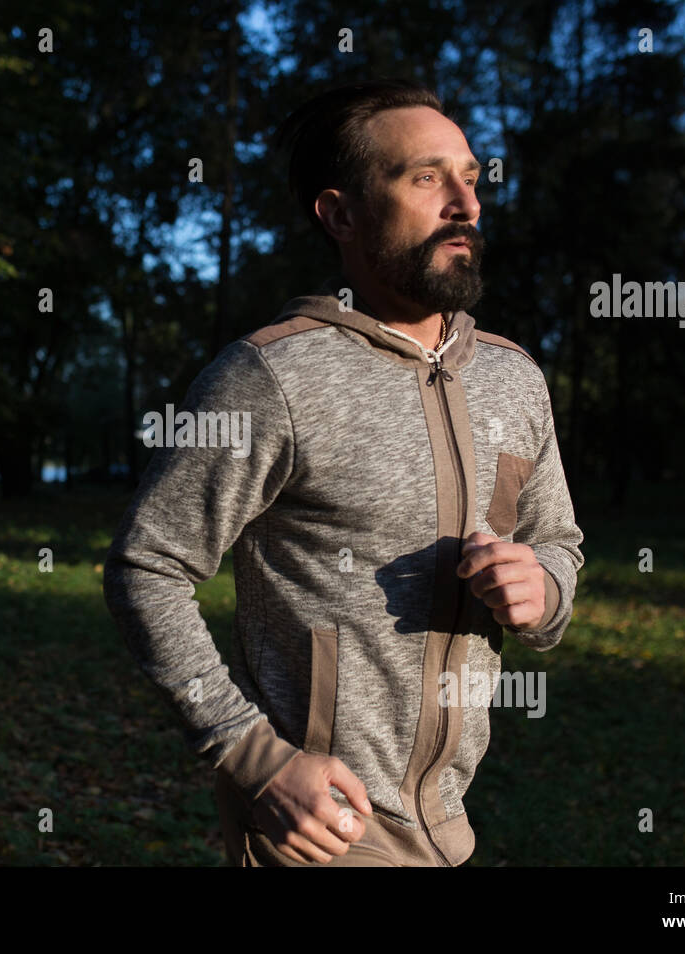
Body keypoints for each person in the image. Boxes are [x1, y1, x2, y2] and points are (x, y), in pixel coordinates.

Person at [102, 79, 584, 867]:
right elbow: (146, 567)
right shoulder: (270, 377)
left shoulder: (514, 378)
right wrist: (255, 759)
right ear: (340, 214)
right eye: (426, 178)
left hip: (450, 826)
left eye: (471, 176)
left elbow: (556, 541)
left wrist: (546, 590)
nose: (466, 203)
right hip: (320, 831)